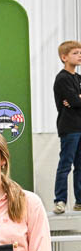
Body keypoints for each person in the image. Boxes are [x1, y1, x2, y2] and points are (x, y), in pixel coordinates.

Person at [52, 40, 81, 214]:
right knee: (65, 165)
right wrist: (75, 99)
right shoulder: (62, 78)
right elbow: (75, 101)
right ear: (64, 57)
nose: (79, 56)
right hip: (69, 128)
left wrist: (76, 99)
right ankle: (60, 200)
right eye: (75, 53)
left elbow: (76, 101)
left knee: (80, 166)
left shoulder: (78, 78)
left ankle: (79, 201)